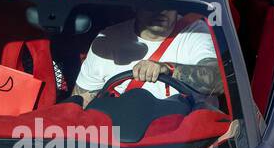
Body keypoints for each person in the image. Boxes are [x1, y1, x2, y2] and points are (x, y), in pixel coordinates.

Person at [71, 8, 224, 107]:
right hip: (125, 143)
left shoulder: (195, 32)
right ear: (136, 5)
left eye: (168, 4)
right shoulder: (108, 40)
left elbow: (220, 81)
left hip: (187, 144)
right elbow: (80, 102)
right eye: (154, 4)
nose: (162, 11)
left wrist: (169, 69)